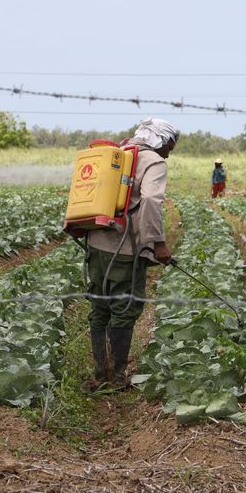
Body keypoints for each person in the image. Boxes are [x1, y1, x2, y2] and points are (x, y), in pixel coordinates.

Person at [84, 117, 178, 390]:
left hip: (96, 242)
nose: (170, 152)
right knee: (125, 309)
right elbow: (150, 200)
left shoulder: (118, 153)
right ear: (160, 139)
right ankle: (117, 375)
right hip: (125, 249)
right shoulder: (154, 162)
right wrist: (157, 242)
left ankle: (101, 371)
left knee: (100, 307)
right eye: (170, 145)